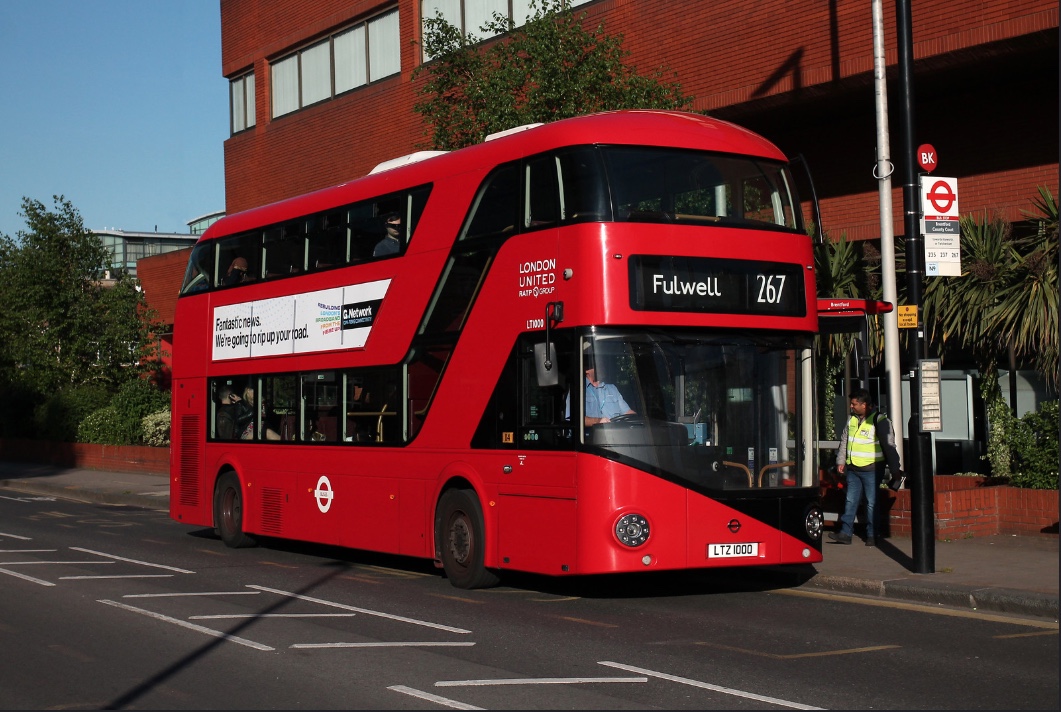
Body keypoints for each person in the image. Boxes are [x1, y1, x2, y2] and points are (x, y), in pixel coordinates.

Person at [830, 388, 905, 547]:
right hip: (853, 468)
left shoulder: (880, 421)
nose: (851, 406)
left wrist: (895, 470)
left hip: (872, 469)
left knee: (871, 503)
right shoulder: (851, 420)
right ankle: (845, 533)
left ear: (864, 405)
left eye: (854, 404)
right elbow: (844, 441)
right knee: (850, 500)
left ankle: (872, 535)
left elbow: (889, 447)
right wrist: (841, 461)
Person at [583, 360, 635, 427]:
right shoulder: (579, 390)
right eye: (598, 365)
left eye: (602, 365)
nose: (602, 367)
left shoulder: (612, 388)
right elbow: (575, 419)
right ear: (587, 370)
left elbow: (627, 412)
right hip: (592, 433)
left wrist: (639, 418)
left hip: (617, 432)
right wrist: (598, 421)